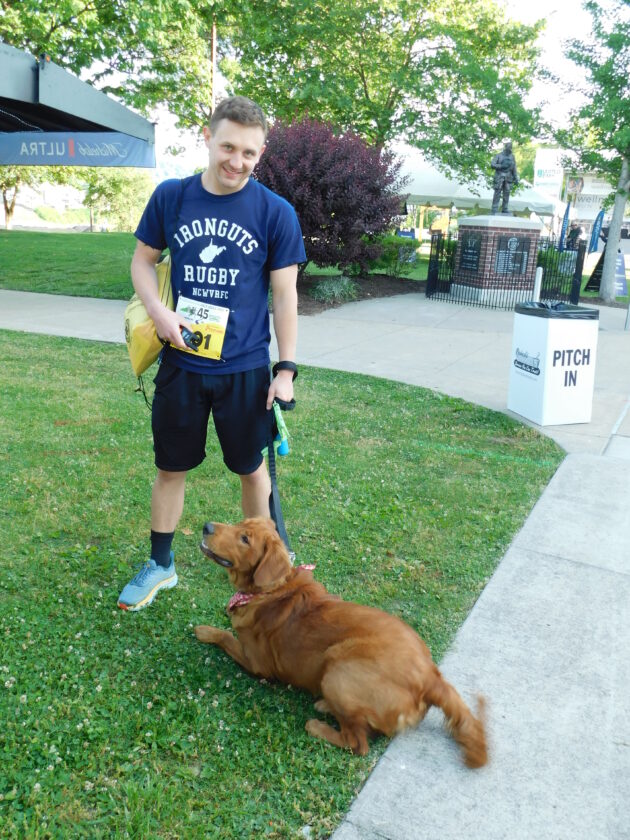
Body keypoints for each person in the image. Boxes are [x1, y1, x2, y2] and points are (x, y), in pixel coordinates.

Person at [118, 96, 306, 611]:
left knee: (251, 470)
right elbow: (142, 262)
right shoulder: (172, 198)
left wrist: (285, 368)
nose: (237, 161)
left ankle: (257, 577)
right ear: (207, 136)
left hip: (245, 369)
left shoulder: (275, 212)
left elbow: (285, 296)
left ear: (260, 151)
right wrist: (158, 310)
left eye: (249, 152)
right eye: (228, 146)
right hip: (181, 365)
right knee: (170, 468)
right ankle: (161, 565)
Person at [490, 141, 519, 214]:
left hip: (508, 177)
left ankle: (505, 208)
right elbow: (492, 164)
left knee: (507, 193)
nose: (510, 149)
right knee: (497, 193)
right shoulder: (499, 155)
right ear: (505, 148)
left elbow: (514, 167)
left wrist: (516, 177)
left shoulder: (512, 156)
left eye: (511, 148)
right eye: (508, 148)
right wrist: (501, 166)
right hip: (499, 176)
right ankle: (494, 208)